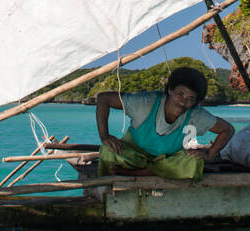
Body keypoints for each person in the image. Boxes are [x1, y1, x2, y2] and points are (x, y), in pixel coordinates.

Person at [95, 66, 235, 180]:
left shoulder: (196, 115)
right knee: (107, 151)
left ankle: (137, 173)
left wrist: (210, 154)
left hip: (168, 160)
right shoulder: (145, 103)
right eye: (180, 94)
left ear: (195, 102)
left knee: (194, 163)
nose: (183, 102)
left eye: (190, 98)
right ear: (169, 90)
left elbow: (227, 130)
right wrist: (104, 136)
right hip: (134, 155)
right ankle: (118, 184)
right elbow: (103, 99)